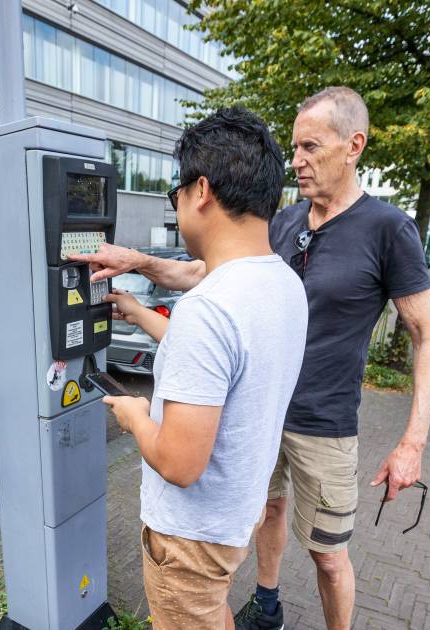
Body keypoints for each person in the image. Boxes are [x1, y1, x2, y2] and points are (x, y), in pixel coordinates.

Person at [73, 86, 430, 630]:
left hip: (301, 437)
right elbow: (222, 312)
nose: (299, 161)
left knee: (325, 553)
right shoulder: (283, 248)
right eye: (293, 148)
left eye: (311, 147)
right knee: (248, 544)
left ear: (354, 146)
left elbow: (426, 334)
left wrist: (134, 412)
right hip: (248, 444)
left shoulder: (386, 228)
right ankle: (266, 604)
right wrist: (139, 274)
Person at [100, 107, 309, 629]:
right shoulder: (282, 283)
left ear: (201, 190)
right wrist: (140, 312)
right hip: (238, 513)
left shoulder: (209, 308)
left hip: (190, 537)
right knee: (212, 609)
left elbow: (178, 462)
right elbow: (221, 369)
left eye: (176, 195)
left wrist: (133, 415)